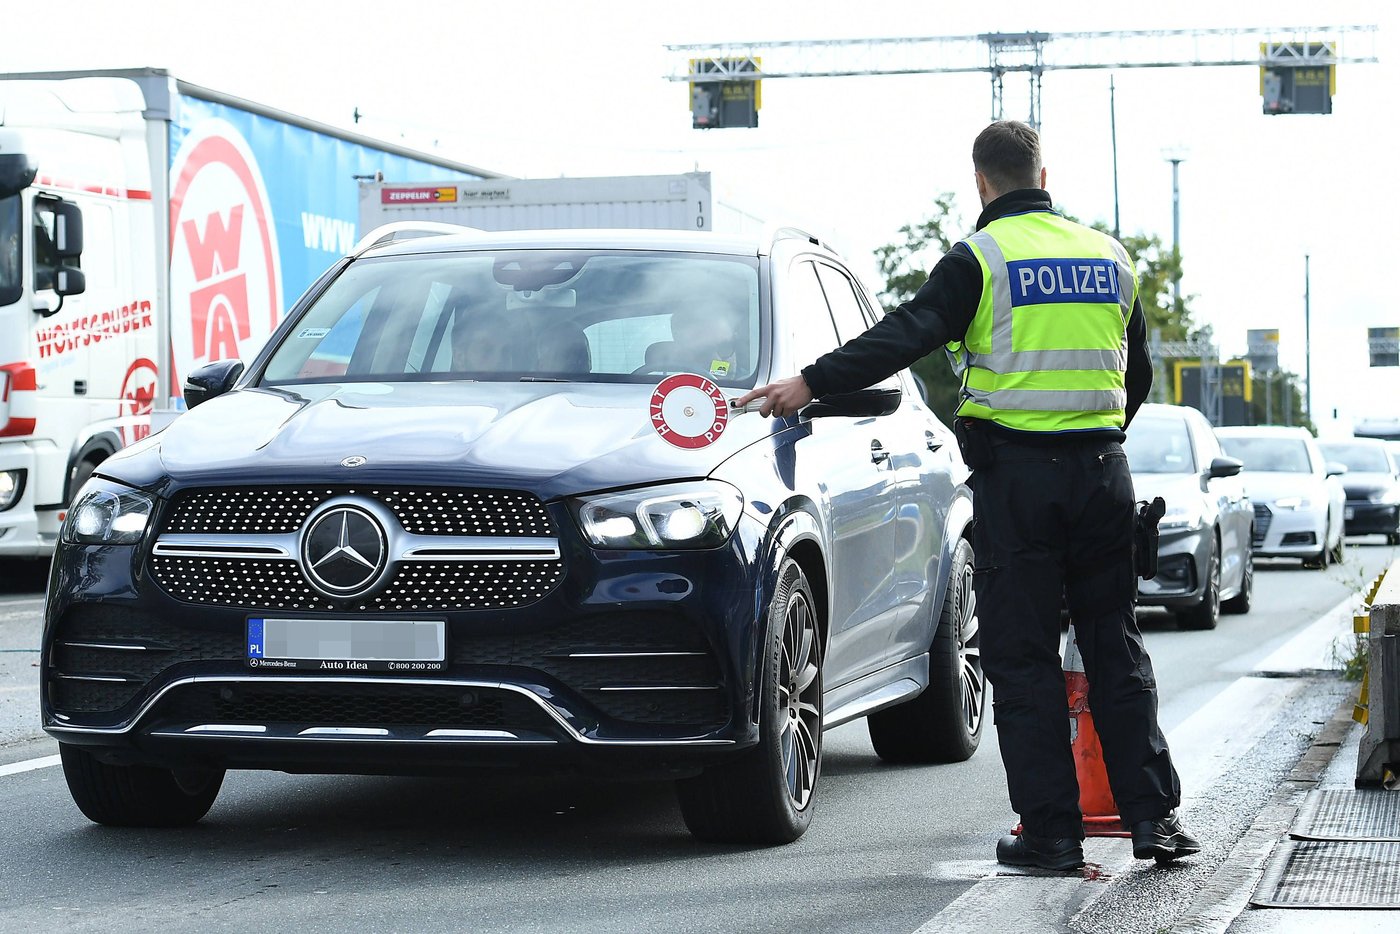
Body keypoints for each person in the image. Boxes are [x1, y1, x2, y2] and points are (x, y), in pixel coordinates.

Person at [735, 120, 1200, 872]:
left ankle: (1051, 833)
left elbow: (904, 335)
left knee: (1021, 656)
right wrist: (1095, 435)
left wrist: (811, 382)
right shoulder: (1109, 256)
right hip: (1103, 473)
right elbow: (1136, 373)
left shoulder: (981, 258)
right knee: (1115, 645)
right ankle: (1154, 821)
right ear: (1045, 176)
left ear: (981, 183)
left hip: (1019, 482)